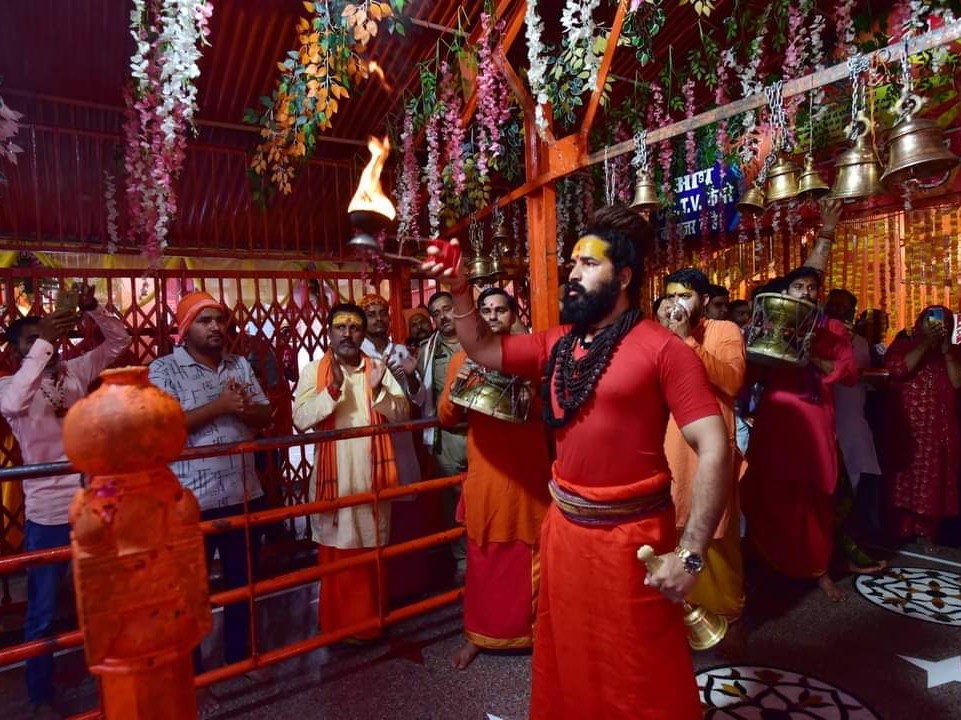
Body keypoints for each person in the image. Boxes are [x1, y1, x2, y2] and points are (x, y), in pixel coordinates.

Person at [423, 204, 730, 719]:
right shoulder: (557, 344)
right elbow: (480, 347)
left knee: (638, 671)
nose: (573, 272)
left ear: (624, 276)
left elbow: (715, 445)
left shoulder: (663, 349)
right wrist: (459, 289)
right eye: (572, 263)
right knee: (568, 656)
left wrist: (692, 554)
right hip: (564, 533)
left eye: (588, 264)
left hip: (635, 544)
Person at [0, 284, 129, 718]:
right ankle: (39, 698)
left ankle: (114, 677)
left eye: (49, 334)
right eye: (32, 339)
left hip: (91, 504)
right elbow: (15, 402)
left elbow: (120, 342)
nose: (46, 343)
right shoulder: (10, 386)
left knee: (101, 596)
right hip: (47, 515)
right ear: (20, 351)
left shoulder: (73, 373)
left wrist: (92, 309)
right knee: (41, 611)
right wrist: (43, 344)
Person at [148, 291, 273, 674]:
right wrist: (220, 407)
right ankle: (191, 670)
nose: (216, 327)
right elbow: (161, 428)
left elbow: (264, 413)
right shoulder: (163, 370)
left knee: (243, 585)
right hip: (190, 502)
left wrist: (244, 408)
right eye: (205, 321)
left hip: (242, 493)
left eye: (220, 319)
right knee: (189, 592)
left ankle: (241, 659)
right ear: (185, 329)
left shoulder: (238, 364)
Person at [437, 288, 551, 670]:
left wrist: (522, 388)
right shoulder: (460, 360)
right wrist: (462, 384)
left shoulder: (532, 358)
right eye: (484, 310)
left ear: (513, 314)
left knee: (530, 557)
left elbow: (549, 413)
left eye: (500, 309)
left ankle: (537, 634)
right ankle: (477, 636)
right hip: (486, 477)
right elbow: (446, 417)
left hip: (526, 475)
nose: (492, 316)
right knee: (483, 562)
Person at [741, 264, 857, 601]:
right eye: (798, 287)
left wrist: (814, 359)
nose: (806, 293)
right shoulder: (773, 321)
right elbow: (749, 377)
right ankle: (768, 561)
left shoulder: (831, 328)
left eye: (811, 287)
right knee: (770, 490)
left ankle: (818, 569)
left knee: (818, 495)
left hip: (815, 420)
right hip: (777, 418)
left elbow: (848, 372)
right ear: (785, 293)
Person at [292, 303, 407, 639]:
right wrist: (332, 390)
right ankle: (340, 628)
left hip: (372, 476)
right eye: (340, 327)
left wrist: (377, 390)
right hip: (335, 480)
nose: (347, 333)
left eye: (354, 327)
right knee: (337, 554)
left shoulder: (377, 368)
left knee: (371, 553)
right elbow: (300, 419)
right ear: (328, 333)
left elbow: (400, 414)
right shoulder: (315, 371)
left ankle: (371, 626)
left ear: (362, 333)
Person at [660, 268, 746, 620]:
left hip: (708, 451)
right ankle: (680, 614)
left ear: (705, 300)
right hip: (669, 446)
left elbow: (732, 381)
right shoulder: (659, 334)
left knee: (715, 537)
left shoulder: (723, 330)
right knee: (671, 527)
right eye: (671, 297)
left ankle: (729, 615)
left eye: (685, 296)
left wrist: (686, 341)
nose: (676, 305)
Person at [356, 293, 429, 602]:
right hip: (370, 440)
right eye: (371, 314)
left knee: (404, 509)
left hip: (400, 440)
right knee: (376, 511)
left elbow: (420, 399)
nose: (378, 319)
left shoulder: (400, 350)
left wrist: (411, 376)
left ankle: (408, 587)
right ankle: (379, 592)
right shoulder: (355, 353)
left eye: (382, 313)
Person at [883, 306, 961, 549]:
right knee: (903, 477)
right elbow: (898, 369)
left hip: (939, 430)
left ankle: (926, 532)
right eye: (932, 319)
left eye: (943, 321)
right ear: (919, 323)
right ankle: (899, 530)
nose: (938, 324)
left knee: (933, 480)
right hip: (908, 427)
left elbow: (957, 382)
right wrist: (925, 344)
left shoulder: (955, 351)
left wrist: (946, 351)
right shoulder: (904, 344)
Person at [824, 289, 885, 571]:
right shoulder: (813, 337)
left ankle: (847, 551)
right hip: (822, 422)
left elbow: (854, 376)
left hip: (852, 423)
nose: (838, 311)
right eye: (833, 305)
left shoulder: (859, 343)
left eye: (844, 308)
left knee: (855, 489)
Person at [413, 291, 469, 578]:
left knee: (485, 495)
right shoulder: (428, 349)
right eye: (436, 313)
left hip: (481, 433)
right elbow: (420, 395)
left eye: (447, 309)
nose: (442, 316)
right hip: (447, 436)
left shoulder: (479, 340)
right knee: (452, 501)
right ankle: (462, 560)